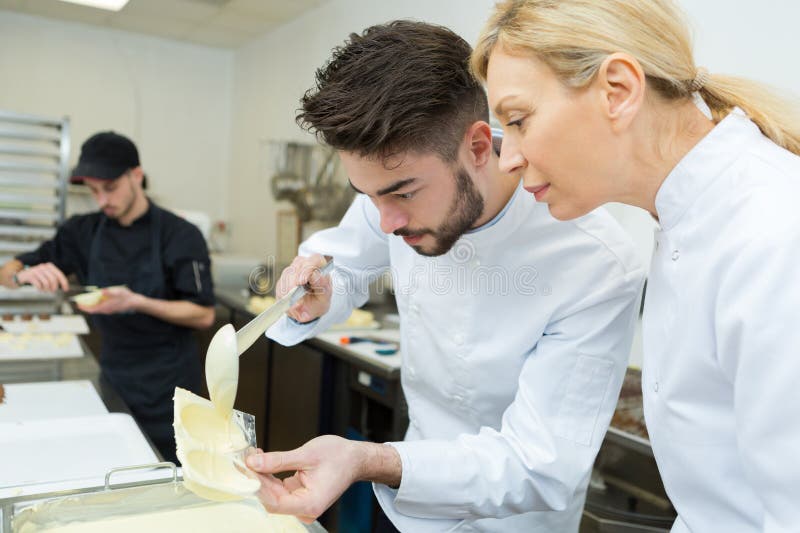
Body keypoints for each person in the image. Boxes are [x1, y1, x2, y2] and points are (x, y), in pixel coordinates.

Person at [245, 21, 645, 532]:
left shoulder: (596, 263)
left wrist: (370, 460)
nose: (385, 221)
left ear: (478, 147)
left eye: (403, 194)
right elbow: (345, 264)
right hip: (414, 502)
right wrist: (318, 295)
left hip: (512, 520)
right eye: (369, 195)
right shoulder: (391, 188)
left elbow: (538, 464)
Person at [470, 1, 800, 532]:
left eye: (519, 120)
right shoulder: (686, 219)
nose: (510, 157)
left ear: (618, 91)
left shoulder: (775, 234)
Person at [0, 131, 216, 463]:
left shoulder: (180, 235)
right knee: (122, 464)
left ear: (136, 176)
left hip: (171, 385)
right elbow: (8, 271)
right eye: (94, 190)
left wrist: (137, 301)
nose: (102, 201)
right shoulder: (81, 232)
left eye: (110, 188)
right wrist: (21, 275)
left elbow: (203, 314)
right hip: (114, 374)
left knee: (175, 474)